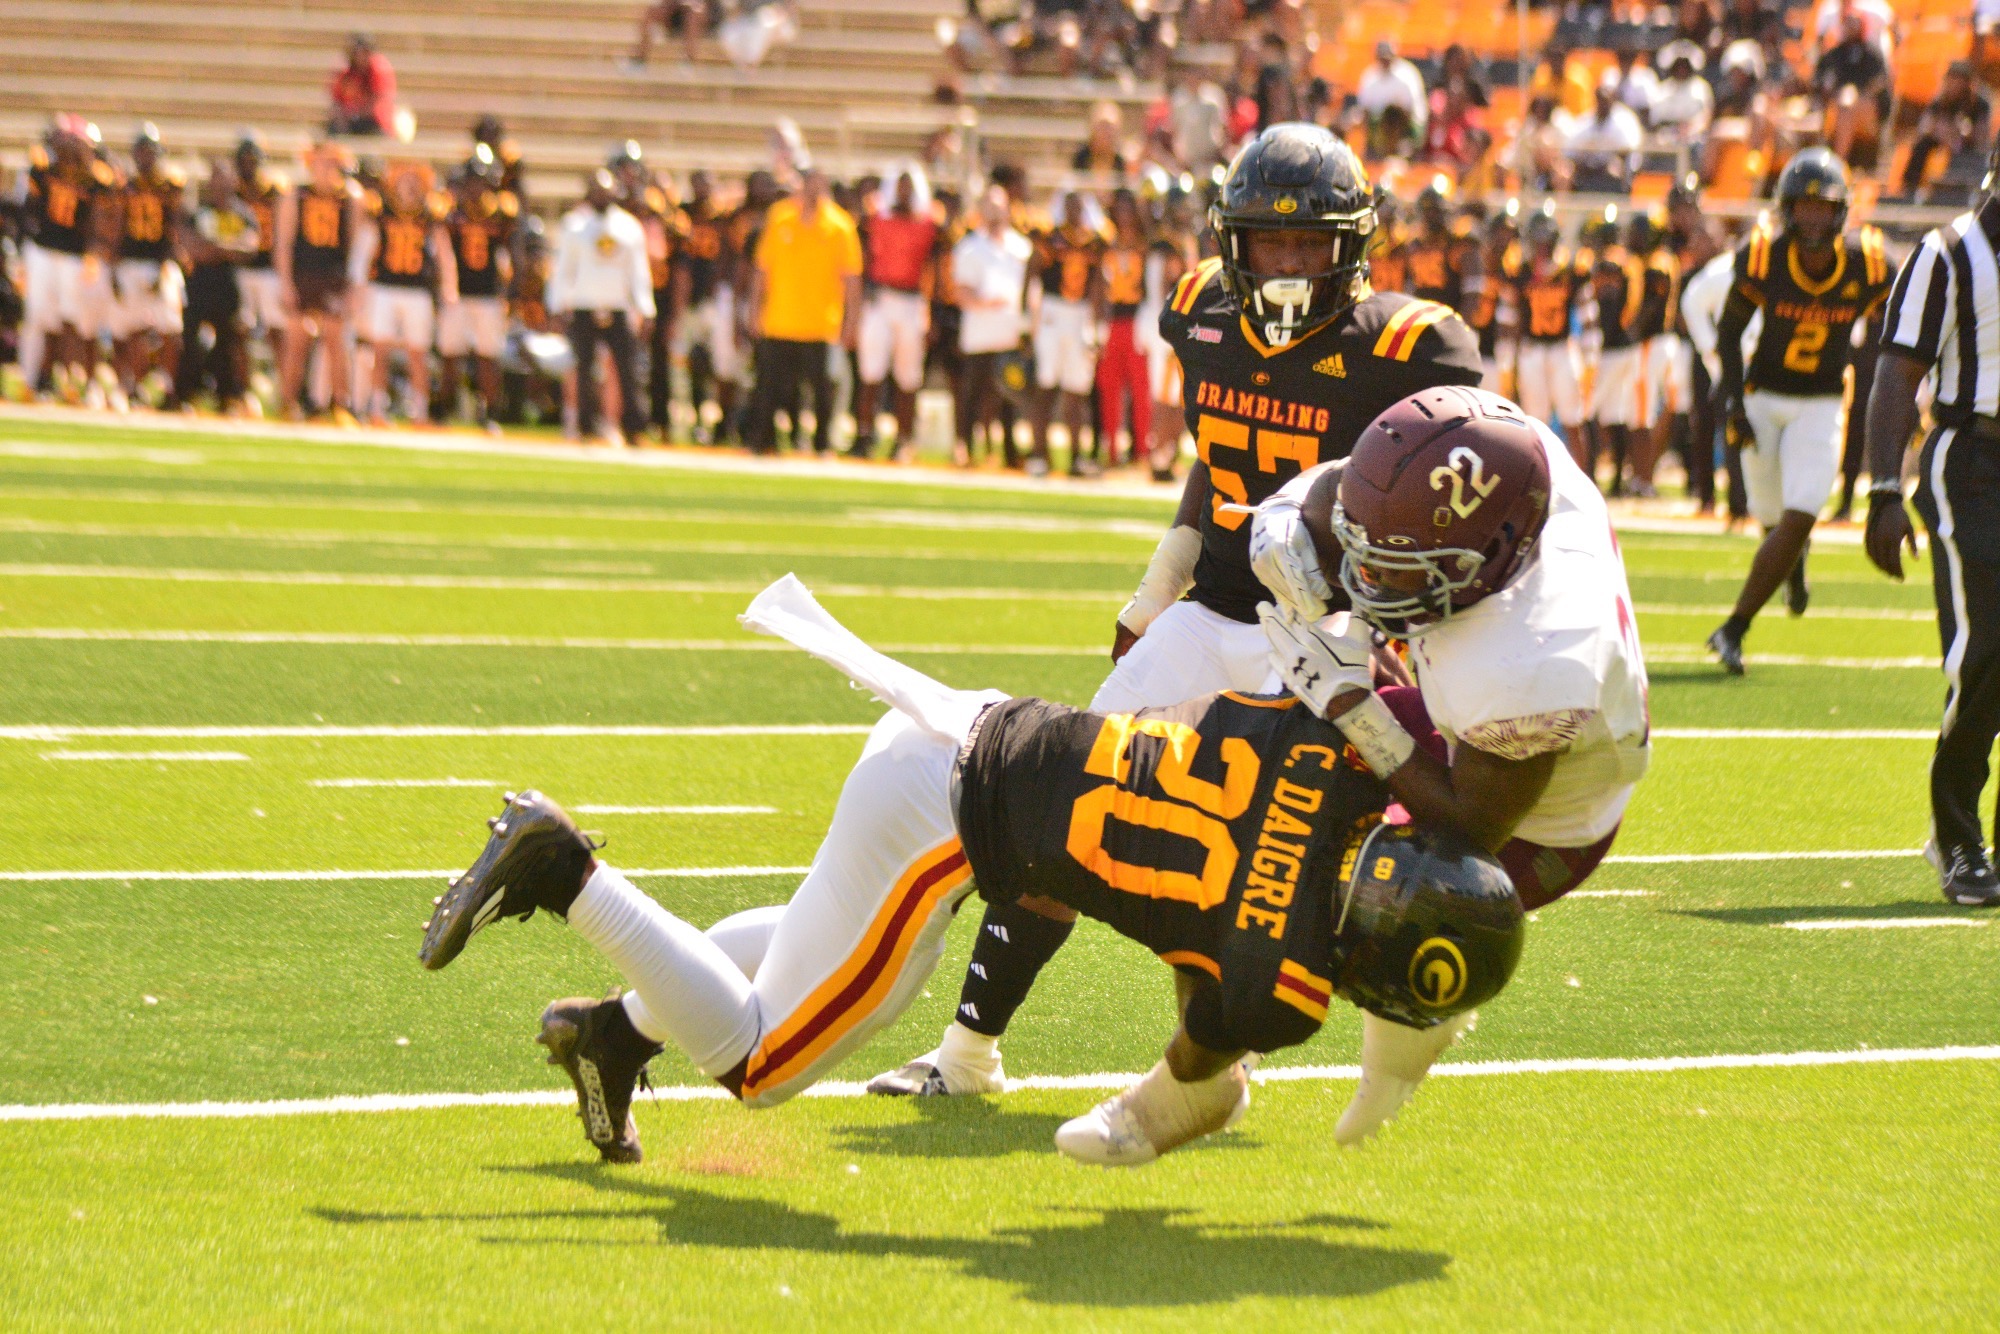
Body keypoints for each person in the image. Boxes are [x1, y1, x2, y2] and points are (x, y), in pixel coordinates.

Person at [419, 575, 1524, 1166]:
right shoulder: (1274, 981)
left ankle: (614, 1030)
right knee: (760, 1063)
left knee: (819, 933)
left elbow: (1385, 736)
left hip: (970, 728)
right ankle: (566, 870)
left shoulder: (1329, 759)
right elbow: (1198, 1058)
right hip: (945, 821)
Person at [869, 124, 1486, 1100]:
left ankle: (1218, 1063)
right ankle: (967, 1053)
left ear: (1352, 246)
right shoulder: (1200, 311)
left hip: (1328, 642)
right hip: (1215, 610)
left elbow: (1457, 498)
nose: (1285, 264)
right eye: (1267, 242)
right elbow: (1216, 452)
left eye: (1306, 244)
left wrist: (1393, 626)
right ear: (1231, 243)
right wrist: (1163, 578)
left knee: (1260, 861)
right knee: (1050, 800)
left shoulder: (1407, 350)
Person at [1244, 383, 1650, 1138]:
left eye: (1396, 566)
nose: (1367, 580)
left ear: (1489, 557)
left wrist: (1354, 706)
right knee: (1275, 754)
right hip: (1468, 716)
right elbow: (1369, 481)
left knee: (1379, 902)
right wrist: (1292, 514)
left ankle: (1395, 1052)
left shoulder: (1536, 661)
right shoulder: (1517, 456)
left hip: (1542, 826)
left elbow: (1469, 825)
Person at [1861, 135, 2000, 908]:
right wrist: (1884, 489)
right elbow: (1897, 370)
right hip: (1972, 461)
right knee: (1987, 643)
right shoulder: (1948, 253)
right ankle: (1956, 836)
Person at [1707, 149, 1892, 674]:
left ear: (1841, 212)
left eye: (1823, 207)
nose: (1812, 218)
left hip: (1823, 401)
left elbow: (1901, 318)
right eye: (1803, 208)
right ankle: (1793, 561)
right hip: (1764, 395)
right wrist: (1733, 402)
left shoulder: (1869, 262)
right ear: (1787, 209)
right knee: (1773, 521)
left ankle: (1734, 628)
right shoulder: (1764, 256)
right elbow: (1727, 331)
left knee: (1803, 509)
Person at [745, 166, 862, 454]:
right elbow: (761, 269)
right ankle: (763, 440)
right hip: (780, 318)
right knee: (769, 385)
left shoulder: (840, 226)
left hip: (820, 322)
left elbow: (852, 279)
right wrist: (753, 309)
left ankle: (822, 444)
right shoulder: (779, 217)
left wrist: (851, 321)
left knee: (821, 390)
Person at [549, 168, 654, 444]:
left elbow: (638, 271)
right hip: (584, 305)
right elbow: (564, 268)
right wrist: (558, 303)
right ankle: (586, 424)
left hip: (617, 306)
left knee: (626, 369)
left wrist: (645, 306)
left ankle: (633, 426)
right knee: (583, 369)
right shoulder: (574, 225)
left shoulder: (628, 227)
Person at [16, 116, 115, 400]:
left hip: (75, 256)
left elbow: (106, 203)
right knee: (37, 318)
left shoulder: (97, 176)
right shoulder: (44, 167)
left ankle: (74, 383)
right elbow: (29, 207)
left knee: (74, 321)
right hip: (42, 250)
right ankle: (31, 380)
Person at [358, 163, 455, 424]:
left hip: (417, 290)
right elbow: (364, 252)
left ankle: (419, 410)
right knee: (380, 348)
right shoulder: (381, 211)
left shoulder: (430, 215)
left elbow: (444, 253)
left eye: (415, 182)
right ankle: (377, 406)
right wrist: (359, 286)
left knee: (418, 353)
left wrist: (449, 285)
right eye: (404, 181)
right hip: (384, 287)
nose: (410, 187)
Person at [852, 166, 938, 460]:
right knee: (870, 371)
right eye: (900, 186)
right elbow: (861, 256)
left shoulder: (928, 225)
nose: (904, 193)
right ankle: (864, 434)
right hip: (881, 298)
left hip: (911, 301)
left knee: (908, 377)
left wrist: (929, 310)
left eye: (909, 187)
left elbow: (932, 269)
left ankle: (904, 439)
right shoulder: (876, 219)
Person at [275, 142, 364, 422]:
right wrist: (286, 282)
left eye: (333, 164)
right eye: (323, 163)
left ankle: (341, 405)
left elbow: (356, 249)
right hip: (304, 275)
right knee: (296, 341)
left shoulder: (350, 199)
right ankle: (288, 403)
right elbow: (284, 243)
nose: (327, 170)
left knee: (336, 341)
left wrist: (352, 287)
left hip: (333, 277)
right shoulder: (295, 196)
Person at [1500, 204, 1594, 467]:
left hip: (1563, 349)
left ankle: (1584, 480)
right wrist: (1507, 361)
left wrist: (1590, 358)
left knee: (1572, 420)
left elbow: (1589, 319)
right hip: (1532, 350)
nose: (1541, 247)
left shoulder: (1573, 270)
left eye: (1546, 240)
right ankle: (1540, 478)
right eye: (1537, 240)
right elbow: (1507, 320)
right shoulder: (1518, 271)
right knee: (1535, 423)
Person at [950, 184, 1032, 468]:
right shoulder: (970, 247)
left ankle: (1010, 450)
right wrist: (985, 304)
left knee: (1010, 394)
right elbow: (961, 290)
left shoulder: (1021, 247)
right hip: (980, 333)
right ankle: (965, 447)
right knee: (973, 392)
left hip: (1010, 332)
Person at [170, 161, 260, 413]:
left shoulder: (243, 213)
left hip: (227, 284)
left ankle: (227, 396)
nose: (220, 185)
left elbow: (250, 248)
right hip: (198, 282)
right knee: (189, 339)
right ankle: (184, 393)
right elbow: (191, 247)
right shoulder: (198, 211)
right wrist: (226, 248)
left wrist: (215, 247)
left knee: (228, 342)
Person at [438, 147, 517, 432]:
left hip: (488, 293)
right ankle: (444, 407)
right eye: (472, 180)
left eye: (480, 181)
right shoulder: (452, 212)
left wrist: (508, 291)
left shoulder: (502, 213)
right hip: (458, 293)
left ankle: (490, 410)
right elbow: (443, 252)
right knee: (451, 355)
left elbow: (509, 256)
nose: (476, 187)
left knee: (488, 357)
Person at [109, 124, 188, 409]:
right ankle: (131, 386)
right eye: (141, 151)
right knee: (130, 331)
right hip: (130, 263)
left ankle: (167, 388)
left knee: (171, 330)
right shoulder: (123, 187)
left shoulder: (171, 186)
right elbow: (116, 229)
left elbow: (175, 230)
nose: (146, 157)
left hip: (160, 264)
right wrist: (113, 270)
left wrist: (167, 264)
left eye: (150, 151)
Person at [1030, 189, 1106, 475]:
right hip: (1052, 311)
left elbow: (1099, 285)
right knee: (1047, 385)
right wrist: (1028, 320)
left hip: (1079, 314)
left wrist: (1098, 327)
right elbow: (1032, 270)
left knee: (1076, 390)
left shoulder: (1095, 242)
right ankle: (1039, 454)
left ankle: (1075, 456)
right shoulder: (1050, 238)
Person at [670, 170, 734, 444]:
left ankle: (723, 421)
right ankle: (690, 418)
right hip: (692, 301)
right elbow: (681, 266)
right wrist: (678, 308)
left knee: (720, 365)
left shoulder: (724, 219)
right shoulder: (684, 215)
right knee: (687, 364)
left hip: (717, 300)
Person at [1095, 187, 1150, 470]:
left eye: (1130, 209)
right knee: (1111, 389)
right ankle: (1113, 451)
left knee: (1140, 390)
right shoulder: (1105, 244)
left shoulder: (1145, 246)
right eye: (1121, 209)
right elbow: (1098, 288)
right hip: (1113, 319)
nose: (1125, 216)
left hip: (1137, 319)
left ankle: (1141, 450)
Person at [1899, 62, 1993, 201]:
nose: (1954, 83)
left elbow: (1982, 136)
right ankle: (1910, 189)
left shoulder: (1979, 103)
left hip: (1969, 145)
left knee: (1974, 156)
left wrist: (1962, 134)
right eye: (1951, 78)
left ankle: (1966, 193)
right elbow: (1925, 126)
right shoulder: (1941, 101)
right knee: (1921, 146)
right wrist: (1942, 132)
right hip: (1943, 139)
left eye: (1958, 78)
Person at [232, 133, 289, 355]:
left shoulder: (276, 190)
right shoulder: (233, 190)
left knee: (277, 327)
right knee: (240, 329)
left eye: (252, 159)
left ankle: (283, 384)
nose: (248, 164)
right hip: (240, 267)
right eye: (244, 159)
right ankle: (241, 385)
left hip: (268, 267)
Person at [1565, 74, 1644, 194]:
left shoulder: (1625, 119)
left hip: (1613, 168)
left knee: (1614, 168)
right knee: (1566, 171)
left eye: (1606, 98)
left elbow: (1628, 151)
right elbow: (1570, 151)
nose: (1602, 102)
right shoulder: (1586, 120)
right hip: (1588, 169)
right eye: (1600, 98)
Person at [1356, 40, 1426, 159]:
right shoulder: (1369, 77)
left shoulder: (1407, 75)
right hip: (1379, 130)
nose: (1386, 61)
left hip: (1405, 129)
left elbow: (1411, 112)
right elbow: (1365, 112)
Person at [327, 33, 397, 137]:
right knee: (334, 130)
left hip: (374, 120)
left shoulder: (378, 69)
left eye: (364, 52)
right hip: (351, 118)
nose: (360, 57)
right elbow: (337, 99)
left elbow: (379, 100)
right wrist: (344, 115)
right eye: (357, 53)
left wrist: (357, 113)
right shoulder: (346, 71)